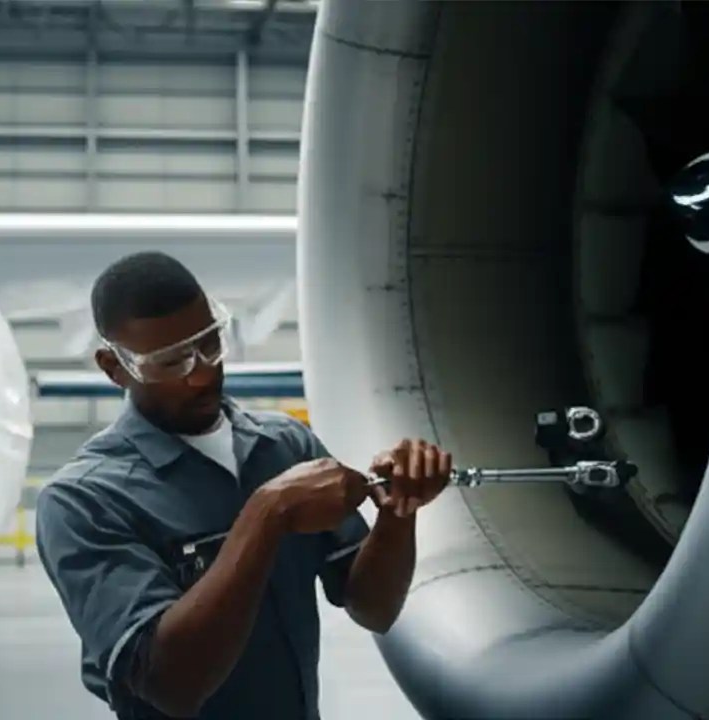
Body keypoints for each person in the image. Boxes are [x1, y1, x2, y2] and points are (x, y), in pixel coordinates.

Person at [35, 252, 453, 720]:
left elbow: (372, 607)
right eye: (171, 362)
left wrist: (399, 512)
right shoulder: (84, 501)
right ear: (114, 368)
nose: (202, 373)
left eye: (210, 343)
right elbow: (173, 685)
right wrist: (266, 515)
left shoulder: (285, 446)